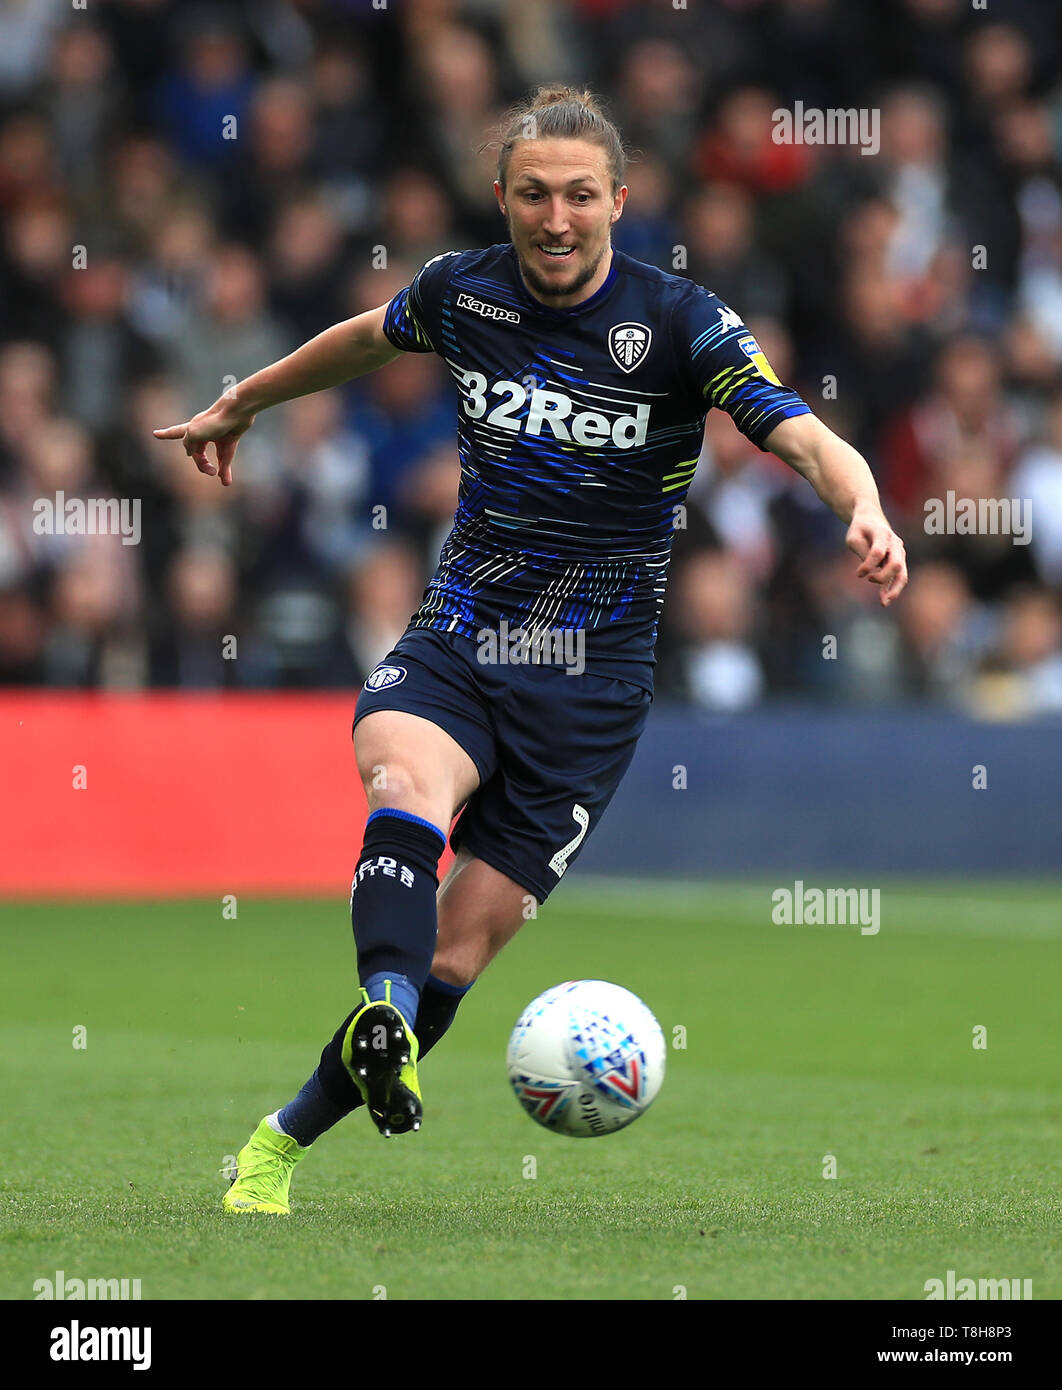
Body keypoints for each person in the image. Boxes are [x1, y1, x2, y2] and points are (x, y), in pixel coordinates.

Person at [154, 86, 908, 1214]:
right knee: (402, 781)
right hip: (460, 631)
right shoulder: (462, 293)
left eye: (581, 196)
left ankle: (285, 1134)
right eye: (535, 195)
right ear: (503, 196)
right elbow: (365, 338)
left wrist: (868, 503)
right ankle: (383, 1012)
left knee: (457, 955)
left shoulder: (681, 322)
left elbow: (796, 430)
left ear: (619, 198)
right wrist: (242, 401)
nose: (558, 218)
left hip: (589, 686)